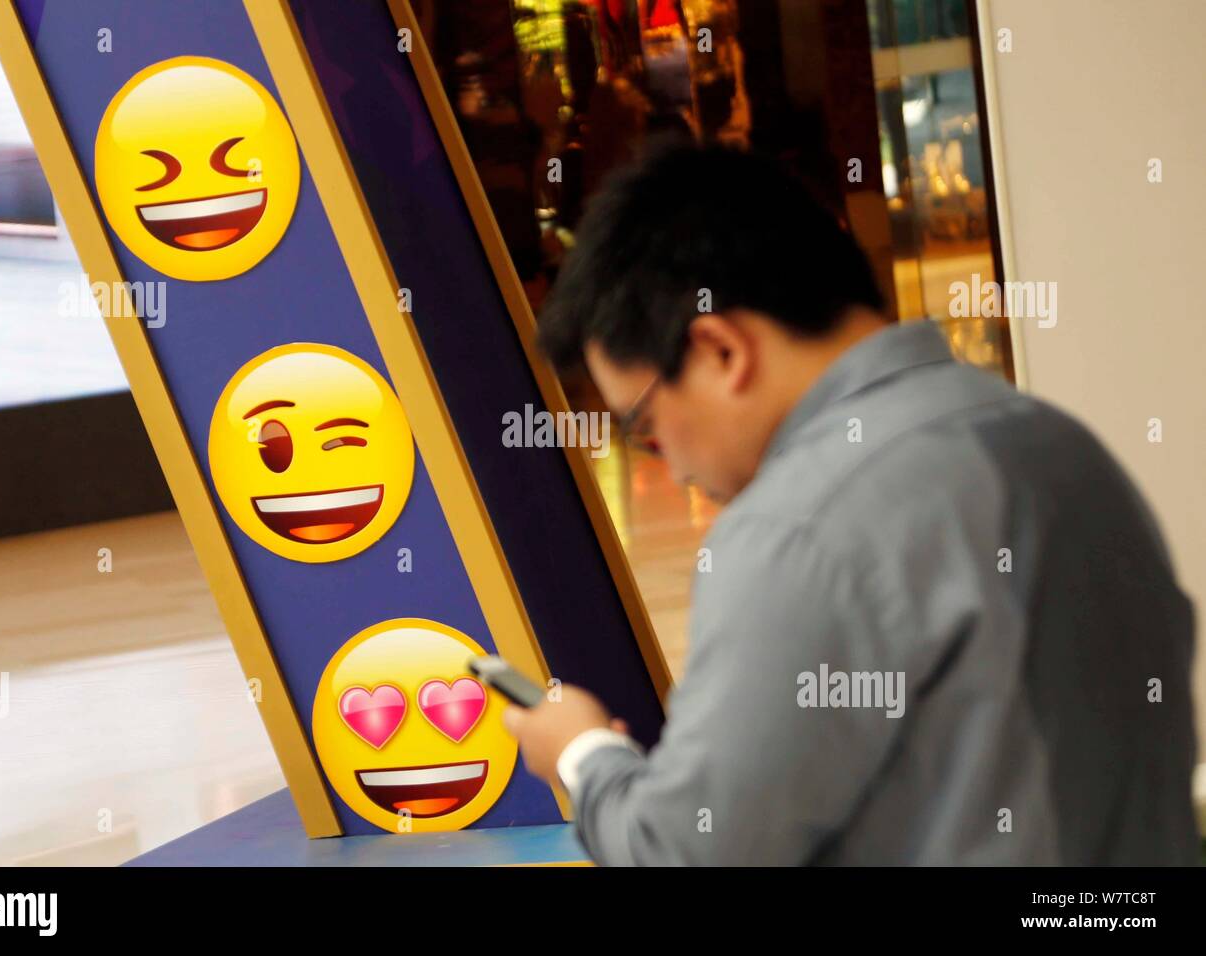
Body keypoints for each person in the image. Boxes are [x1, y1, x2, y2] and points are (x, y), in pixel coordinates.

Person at [502, 141, 1198, 865]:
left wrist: (582, 757)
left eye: (644, 425)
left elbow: (686, 852)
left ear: (719, 350)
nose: (669, 468)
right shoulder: (1063, 447)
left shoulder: (796, 529)